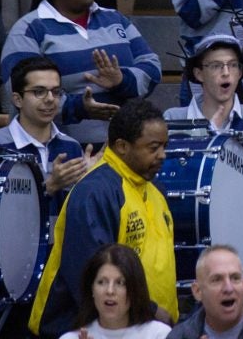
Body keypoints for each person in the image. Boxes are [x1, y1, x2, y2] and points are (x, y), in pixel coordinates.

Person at [29, 100, 175, 337]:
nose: (162, 155)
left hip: (142, 326)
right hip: (88, 329)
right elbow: (89, 272)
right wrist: (150, 311)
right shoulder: (95, 192)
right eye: (153, 147)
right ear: (122, 146)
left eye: (165, 146)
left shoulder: (155, 188)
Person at [1, 0, 162, 144]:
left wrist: (122, 80)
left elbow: (152, 65)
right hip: (61, 150)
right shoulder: (30, 28)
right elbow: (18, 90)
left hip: (124, 146)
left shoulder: (115, 19)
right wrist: (78, 107)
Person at [164, 33, 243, 195]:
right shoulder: (173, 121)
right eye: (216, 65)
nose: (226, 72)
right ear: (198, 73)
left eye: (233, 65)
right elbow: (164, 185)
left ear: (240, 73)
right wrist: (208, 137)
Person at [0, 55, 89, 217]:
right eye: (39, 92)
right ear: (17, 100)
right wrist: (49, 186)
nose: (50, 99)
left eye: (56, 91)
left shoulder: (71, 146)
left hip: (60, 241)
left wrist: (92, 179)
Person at [62, 242, 172, 339]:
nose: (110, 291)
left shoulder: (160, 335)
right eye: (102, 282)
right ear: (92, 289)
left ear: (134, 289)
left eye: (120, 283)